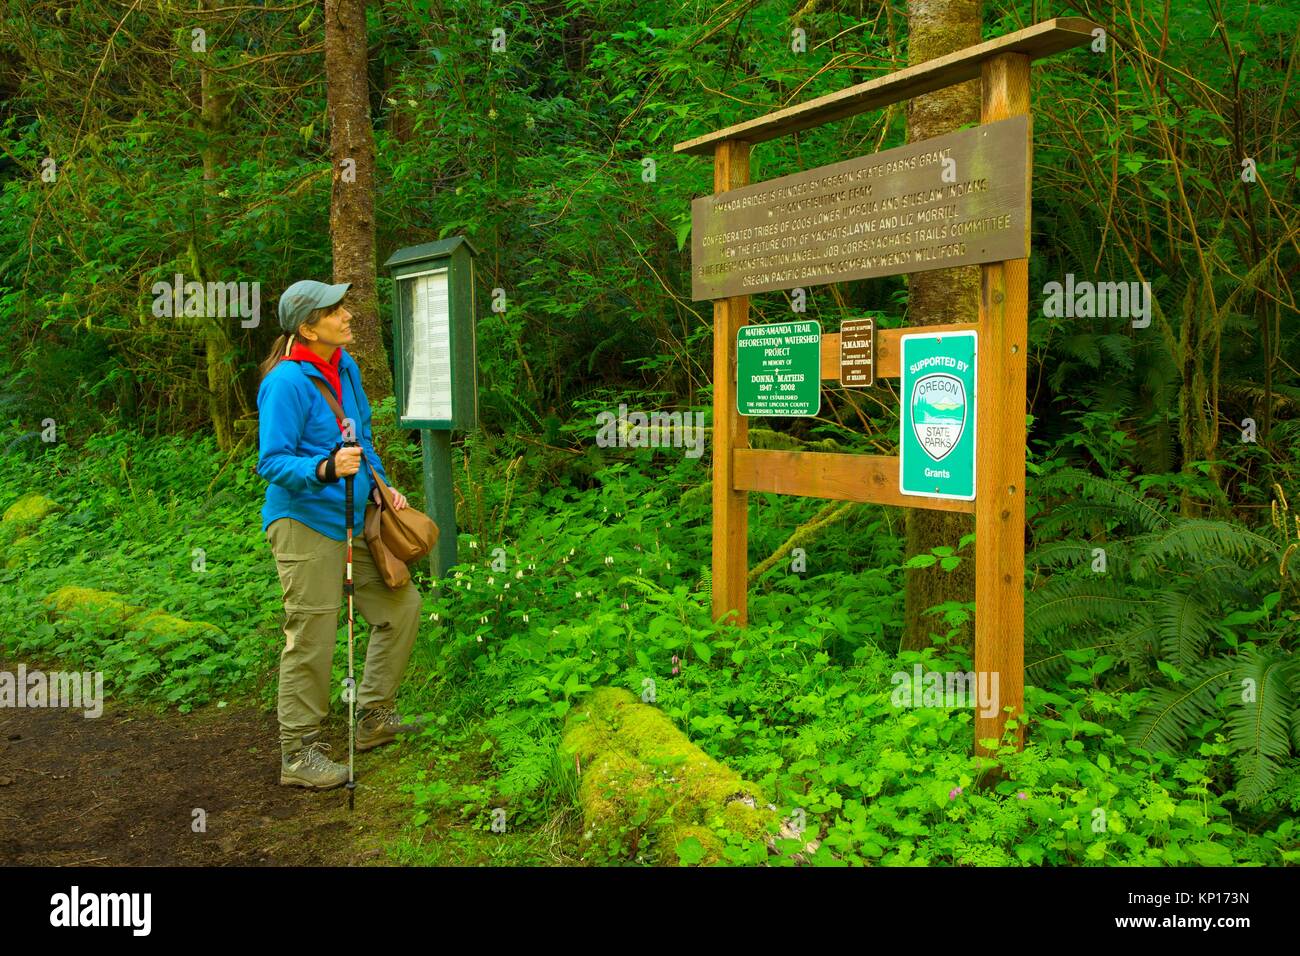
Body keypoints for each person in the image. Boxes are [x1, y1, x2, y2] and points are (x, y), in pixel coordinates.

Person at [256, 279, 424, 789]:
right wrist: (326, 469)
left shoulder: (344, 366)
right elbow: (272, 460)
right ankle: (298, 751)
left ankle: (373, 715)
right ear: (308, 327)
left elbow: (361, 437)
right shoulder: (286, 383)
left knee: (401, 606)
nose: (347, 315)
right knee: (313, 634)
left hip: (358, 520)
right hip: (304, 522)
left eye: (343, 306)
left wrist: (383, 487)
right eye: (334, 310)